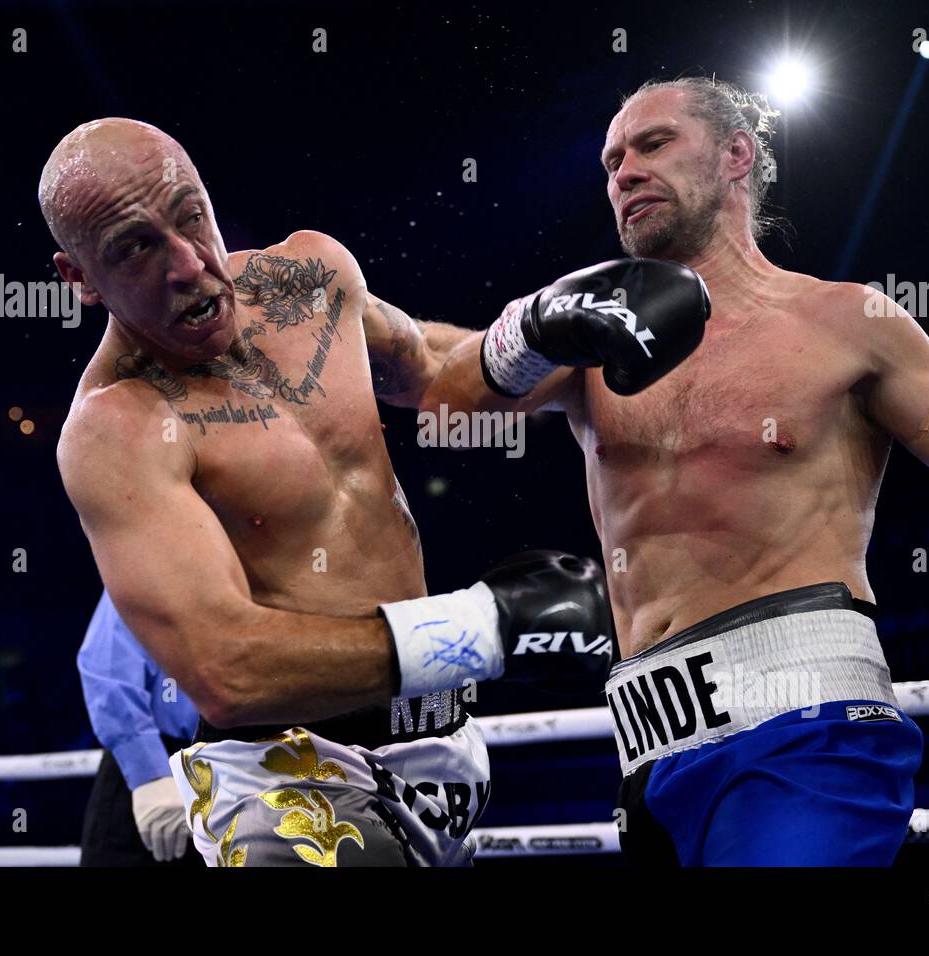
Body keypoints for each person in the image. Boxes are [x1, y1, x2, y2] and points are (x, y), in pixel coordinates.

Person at [422, 76, 929, 865]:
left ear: (736, 155)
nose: (625, 173)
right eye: (612, 162)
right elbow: (436, 387)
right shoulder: (591, 347)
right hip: (650, 759)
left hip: (808, 736)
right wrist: (522, 323)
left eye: (653, 145)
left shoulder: (846, 322)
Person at [42, 118, 636, 866]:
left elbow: (434, 378)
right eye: (136, 247)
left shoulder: (309, 277)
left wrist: (548, 336)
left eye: (191, 215)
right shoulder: (114, 430)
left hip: (442, 746)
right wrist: (483, 628)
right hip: (285, 776)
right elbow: (227, 669)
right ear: (79, 279)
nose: (189, 264)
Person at [77, 589, 204, 866]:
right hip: (158, 759)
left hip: (247, 766)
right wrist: (148, 773)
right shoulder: (157, 564)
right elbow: (107, 668)